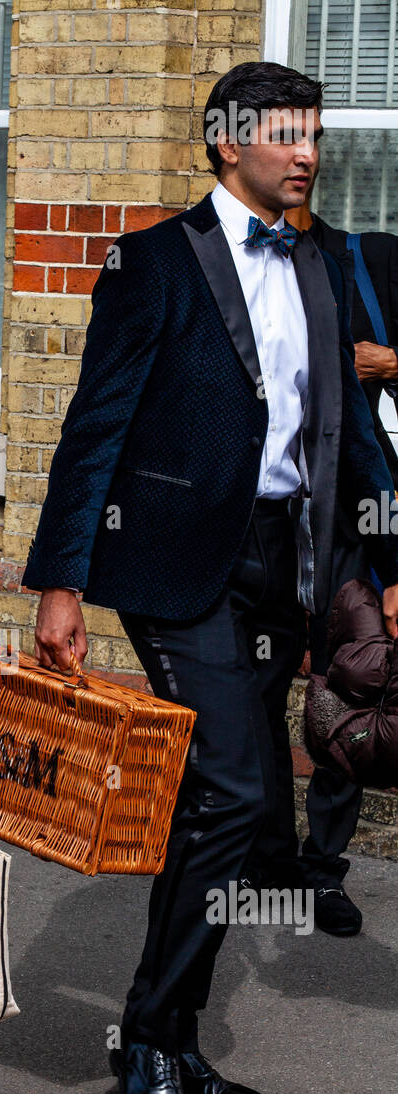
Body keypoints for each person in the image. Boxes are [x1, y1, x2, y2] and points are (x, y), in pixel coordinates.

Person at [22, 61, 398, 1094]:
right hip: (177, 557)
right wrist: (62, 577)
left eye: (314, 135)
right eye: (285, 135)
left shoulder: (328, 258)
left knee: (215, 807)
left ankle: (176, 1038)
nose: (306, 154)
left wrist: (380, 555)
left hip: (290, 555)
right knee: (238, 791)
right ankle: (144, 1039)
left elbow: (350, 429)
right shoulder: (150, 262)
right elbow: (93, 425)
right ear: (223, 142)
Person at [283, 186, 398, 935]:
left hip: (357, 518)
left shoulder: (365, 258)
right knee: (248, 687)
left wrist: (393, 361)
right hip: (257, 518)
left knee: (351, 679)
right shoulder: (221, 266)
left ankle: (320, 869)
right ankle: (250, 853)